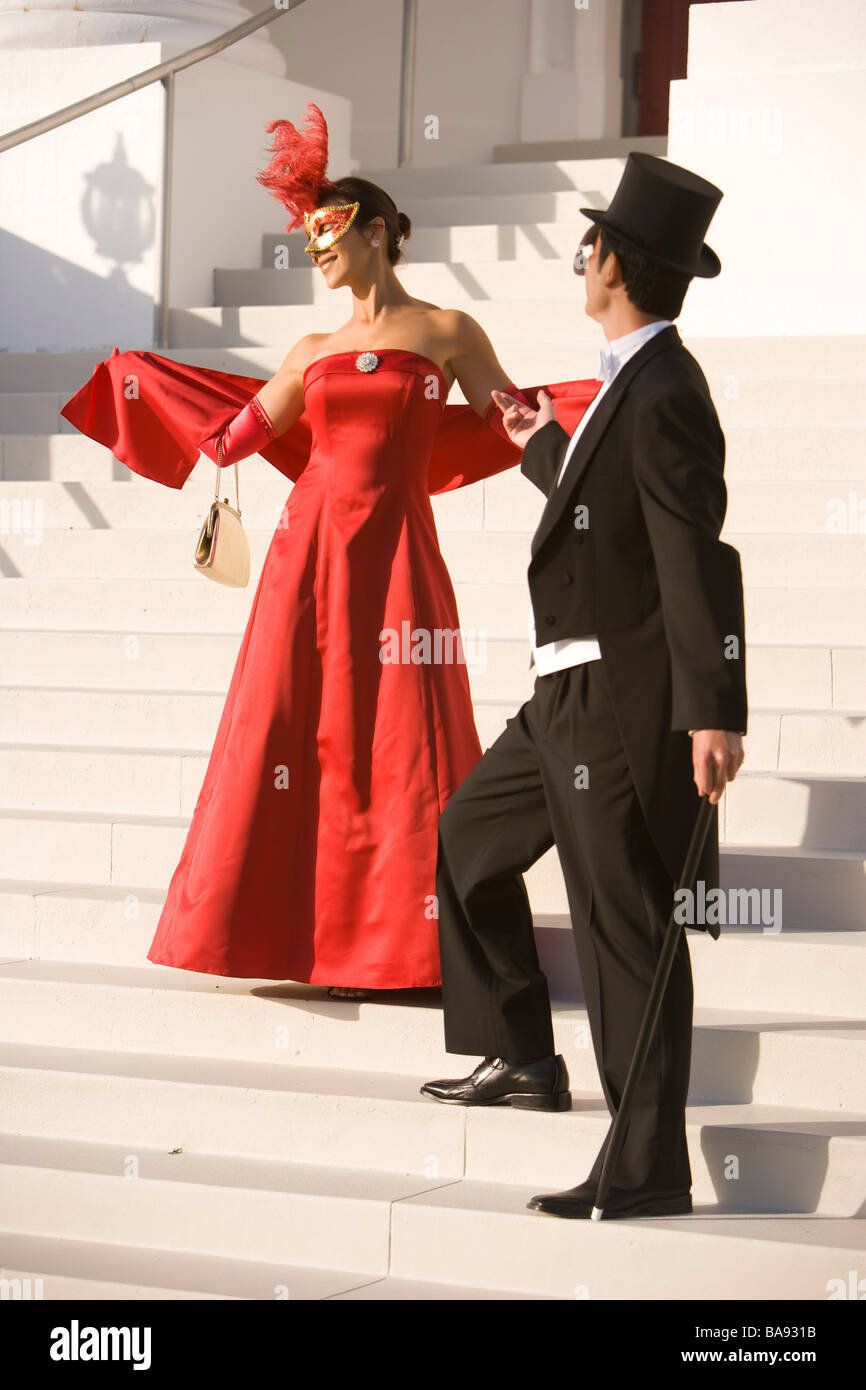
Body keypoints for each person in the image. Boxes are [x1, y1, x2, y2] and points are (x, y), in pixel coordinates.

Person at [59, 104, 600, 1002]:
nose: (317, 253)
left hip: (398, 556)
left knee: (405, 738)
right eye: (309, 243)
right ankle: (287, 935)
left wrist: (593, 413)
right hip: (305, 555)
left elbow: (508, 417)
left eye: (330, 234)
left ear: (377, 232)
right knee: (291, 728)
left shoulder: (447, 331)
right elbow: (237, 439)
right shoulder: (312, 348)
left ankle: (416, 948)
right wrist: (147, 381)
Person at [420, 153, 748, 1219]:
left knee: (625, 929)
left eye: (586, 243)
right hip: (556, 692)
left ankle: (645, 1165)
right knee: (467, 838)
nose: (579, 258)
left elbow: (692, 551)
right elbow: (608, 514)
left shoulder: (663, 390)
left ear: (612, 262)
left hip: (613, 699)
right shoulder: (628, 381)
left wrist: (711, 706)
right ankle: (523, 1052)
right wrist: (543, 448)